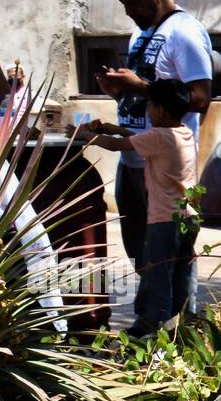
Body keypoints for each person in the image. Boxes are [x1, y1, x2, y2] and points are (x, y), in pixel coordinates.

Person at [97, 0, 212, 320]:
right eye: (124, 5)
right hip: (133, 158)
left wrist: (143, 88)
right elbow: (146, 88)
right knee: (141, 251)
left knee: (169, 252)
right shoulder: (140, 34)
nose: (129, 12)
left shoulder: (185, 33)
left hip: (166, 169)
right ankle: (155, 318)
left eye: (134, 3)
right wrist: (118, 88)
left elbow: (201, 98)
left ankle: (176, 322)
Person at [71, 79, 199, 338]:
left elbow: (119, 146)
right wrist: (114, 128)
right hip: (188, 219)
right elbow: (141, 140)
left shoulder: (159, 137)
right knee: (179, 275)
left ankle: (157, 331)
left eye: (150, 105)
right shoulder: (183, 133)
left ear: (161, 110)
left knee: (159, 275)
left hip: (164, 220)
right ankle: (178, 326)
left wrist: (87, 136)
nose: (148, 111)